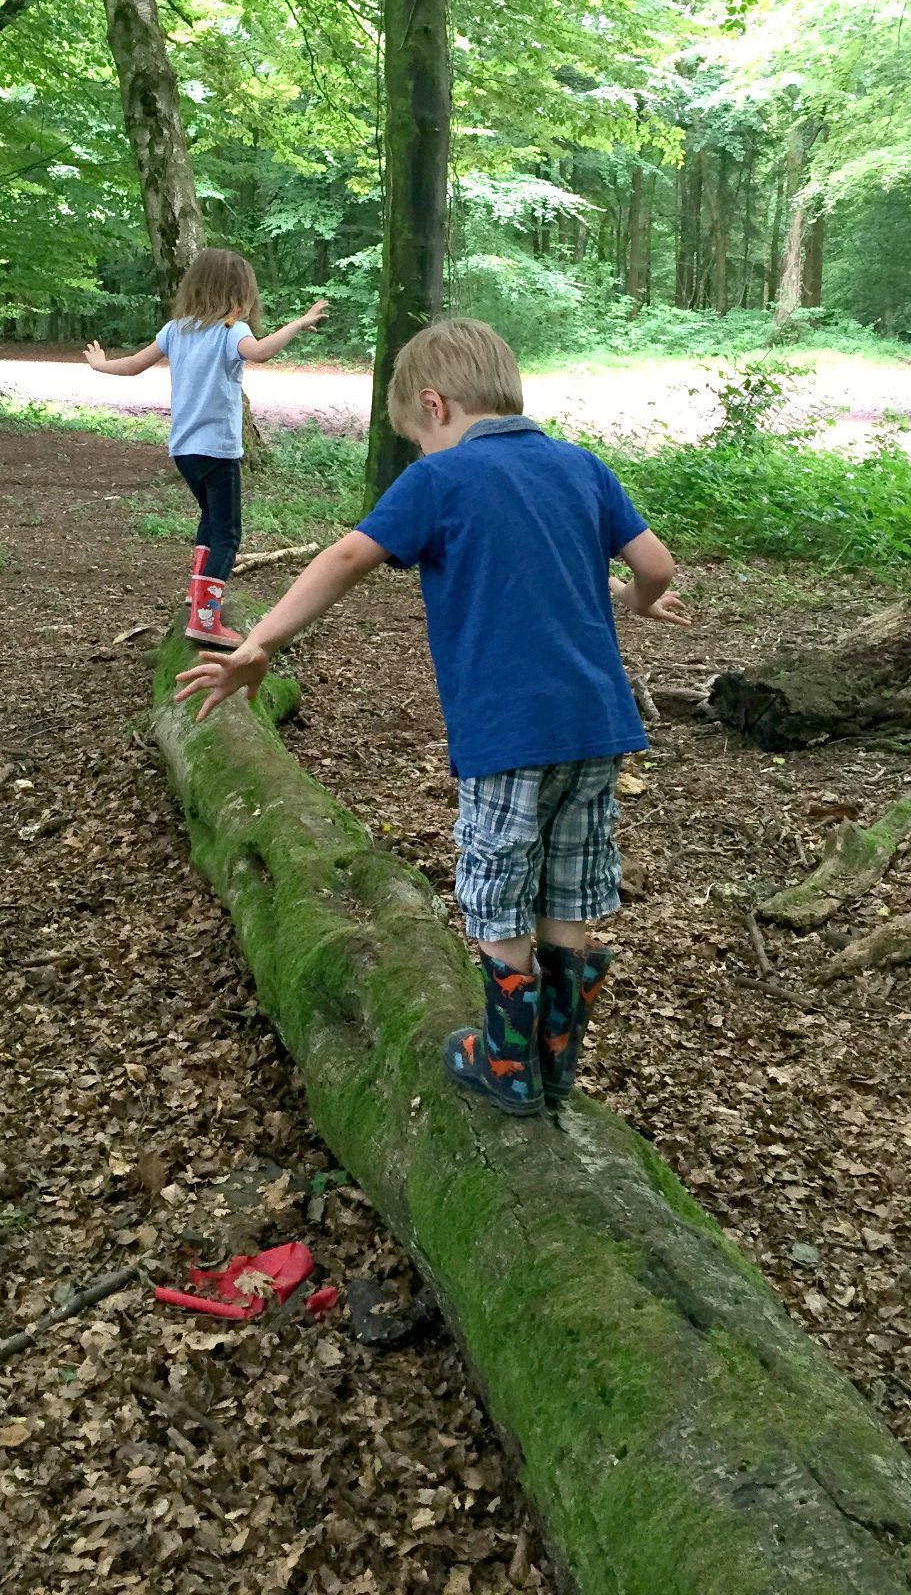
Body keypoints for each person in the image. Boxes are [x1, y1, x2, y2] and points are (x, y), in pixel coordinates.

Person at [175, 316, 688, 1117]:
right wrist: (632, 601)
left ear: (433, 404)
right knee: (571, 882)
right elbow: (656, 566)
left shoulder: (442, 481)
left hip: (506, 731)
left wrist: (261, 640)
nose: (420, 452)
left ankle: (507, 1063)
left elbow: (347, 557)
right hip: (598, 726)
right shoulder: (581, 467)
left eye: (417, 437)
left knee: (498, 877)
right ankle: (558, 1059)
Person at [84, 249, 328, 649]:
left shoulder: (176, 330)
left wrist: (99, 364)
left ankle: (196, 595)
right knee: (228, 534)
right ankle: (205, 619)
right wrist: (299, 323)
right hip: (217, 450)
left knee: (209, 520)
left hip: (184, 450)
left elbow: (132, 365)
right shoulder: (231, 332)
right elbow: (262, 352)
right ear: (239, 294)